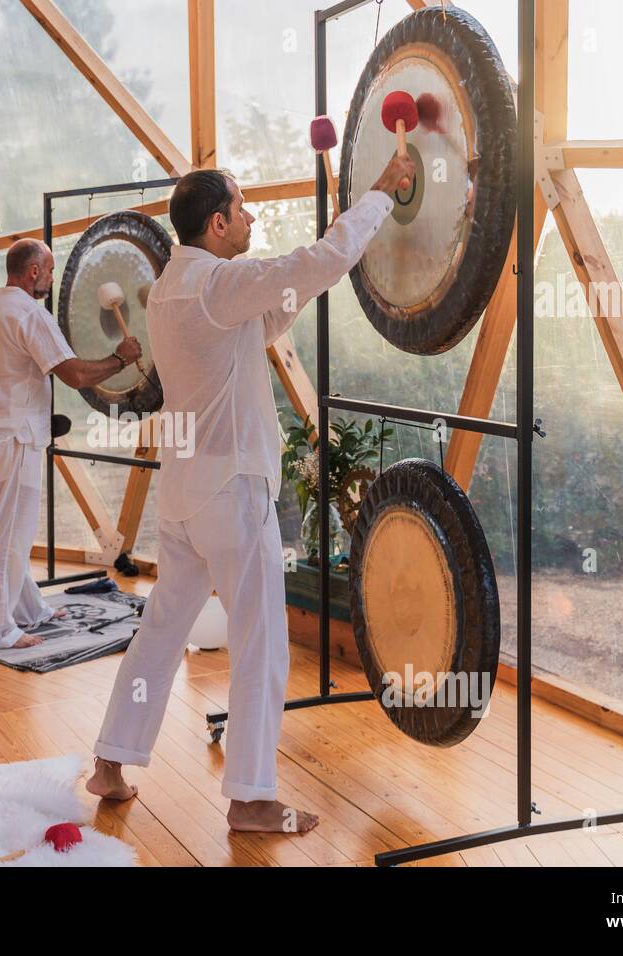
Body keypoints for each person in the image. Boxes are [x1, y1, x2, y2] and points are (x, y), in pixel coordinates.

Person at [87, 152, 417, 833]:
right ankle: (251, 798)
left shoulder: (175, 288)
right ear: (216, 223)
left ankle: (112, 762)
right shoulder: (218, 282)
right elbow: (310, 266)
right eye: (242, 209)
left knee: (159, 632)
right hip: (231, 495)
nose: (252, 216)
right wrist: (379, 196)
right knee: (261, 641)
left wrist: (324, 255)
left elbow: (260, 321)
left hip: (181, 495)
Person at [0, 239, 142, 650]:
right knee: (1, 536)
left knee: (12, 531)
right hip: (13, 437)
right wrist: (120, 358)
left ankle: (27, 611)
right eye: (49, 271)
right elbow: (75, 375)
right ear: (33, 271)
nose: (52, 278)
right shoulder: (29, 313)